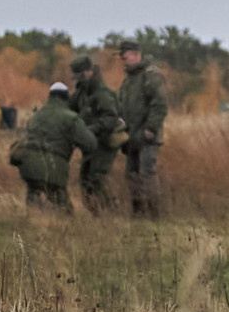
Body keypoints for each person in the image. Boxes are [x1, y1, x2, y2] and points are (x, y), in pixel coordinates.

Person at [11, 80, 99, 210]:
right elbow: (90, 144)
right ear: (66, 97)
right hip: (53, 168)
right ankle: (58, 224)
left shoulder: (36, 116)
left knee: (34, 200)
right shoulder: (71, 118)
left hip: (27, 166)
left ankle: (32, 223)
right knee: (63, 209)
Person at [114, 42, 169, 218]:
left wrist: (150, 129)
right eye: (122, 57)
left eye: (126, 55)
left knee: (147, 175)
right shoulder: (128, 82)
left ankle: (153, 216)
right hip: (130, 137)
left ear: (136, 54)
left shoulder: (151, 77)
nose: (123, 60)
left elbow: (159, 105)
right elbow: (121, 108)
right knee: (132, 176)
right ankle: (138, 214)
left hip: (147, 137)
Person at [69, 53, 125, 211]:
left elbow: (111, 117)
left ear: (88, 72)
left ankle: (111, 212)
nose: (78, 79)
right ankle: (95, 212)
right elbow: (70, 108)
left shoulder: (102, 94)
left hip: (105, 142)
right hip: (90, 143)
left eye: (80, 75)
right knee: (85, 179)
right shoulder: (81, 93)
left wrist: (91, 129)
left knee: (97, 177)